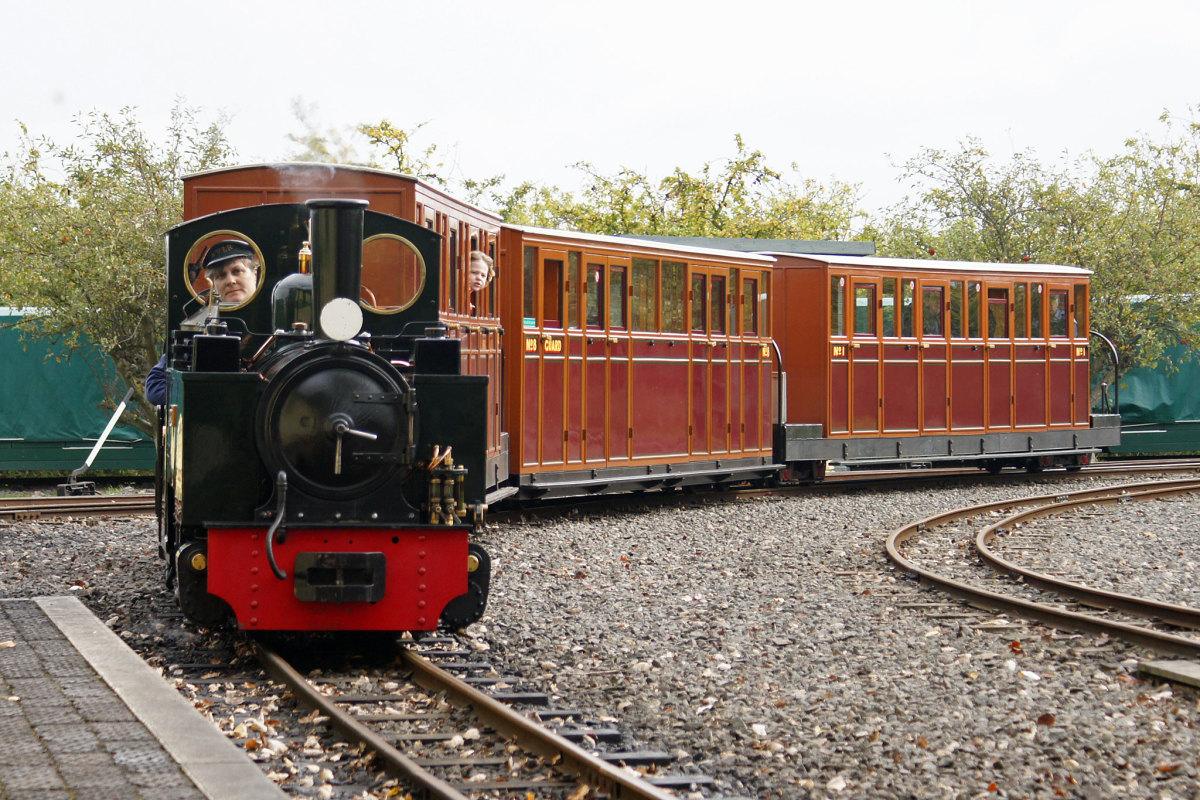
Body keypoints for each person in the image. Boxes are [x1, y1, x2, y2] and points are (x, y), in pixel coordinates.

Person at [145, 240, 260, 405]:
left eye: (237, 271)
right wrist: (202, 397)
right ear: (214, 284)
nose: (230, 280)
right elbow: (155, 386)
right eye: (221, 275)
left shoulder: (278, 316)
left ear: (254, 273)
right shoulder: (198, 325)